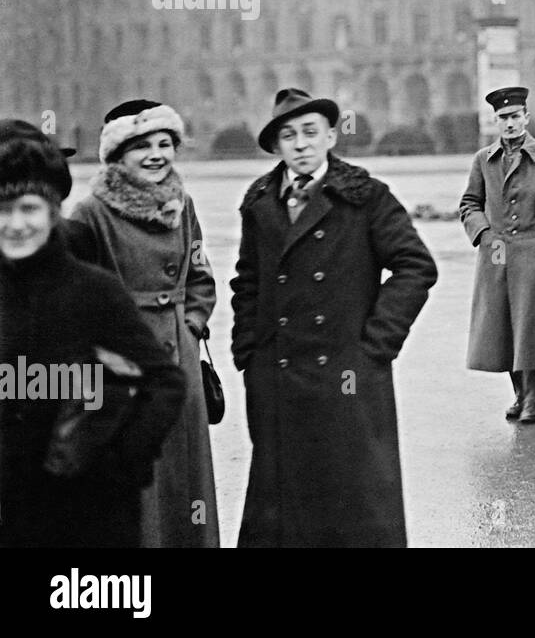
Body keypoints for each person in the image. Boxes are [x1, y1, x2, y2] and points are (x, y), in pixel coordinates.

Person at [232, 88, 437, 546]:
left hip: (347, 374)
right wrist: (249, 352)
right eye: (289, 136)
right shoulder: (261, 200)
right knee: (283, 506)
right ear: (277, 146)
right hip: (278, 376)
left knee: (354, 501)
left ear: (330, 135)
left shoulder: (365, 195)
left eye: (310, 132)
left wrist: (375, 345)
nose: (301, 144)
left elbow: (415, 266)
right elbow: (248, 281)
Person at [0, 126, 185, 548]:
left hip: (87, 516)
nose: (16, 225)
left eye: (28, 208)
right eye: (3, 209)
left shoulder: (94, 290)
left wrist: (119, 464)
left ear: (51, 212)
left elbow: (163, 383)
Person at [64, 100, 219, 548]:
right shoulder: (92, 213)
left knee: (184, 481)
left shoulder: (180, 203)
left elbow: (200, 276)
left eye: (165, 143)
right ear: (117, 157)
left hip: (180, 361)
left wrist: (189, 325)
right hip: (123, 367)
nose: (157, 155)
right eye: (142, 147)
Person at [461, 86, 535, 422]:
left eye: (515, 117)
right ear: (496, 121)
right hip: (496, 253)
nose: (509, 123)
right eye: (503, 118)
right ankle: (519, 394)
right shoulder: (483, 159)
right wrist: (484, 233)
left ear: (526, 118)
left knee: (531, 326)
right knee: (502, 326)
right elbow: (469, 204)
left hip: (534, 251)